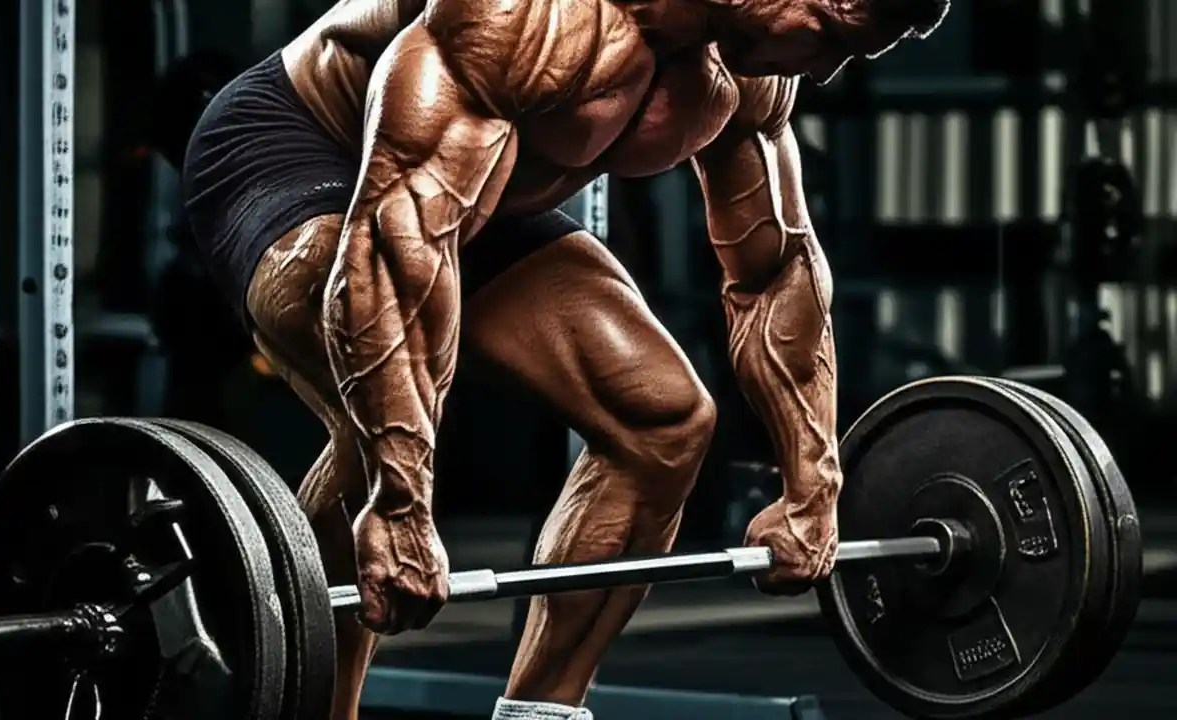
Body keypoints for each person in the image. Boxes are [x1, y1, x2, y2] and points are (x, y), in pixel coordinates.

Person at [180, 0, 950, 718]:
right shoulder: (526, 16)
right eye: (833, 38)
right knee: (380, 420)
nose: (822, 71)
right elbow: (394, 244)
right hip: (300, 152)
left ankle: (538, 713)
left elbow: (777, 268)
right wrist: (400, 507)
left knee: (664, 422)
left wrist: (814, 486)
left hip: (472, 186)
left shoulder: (746, 78)